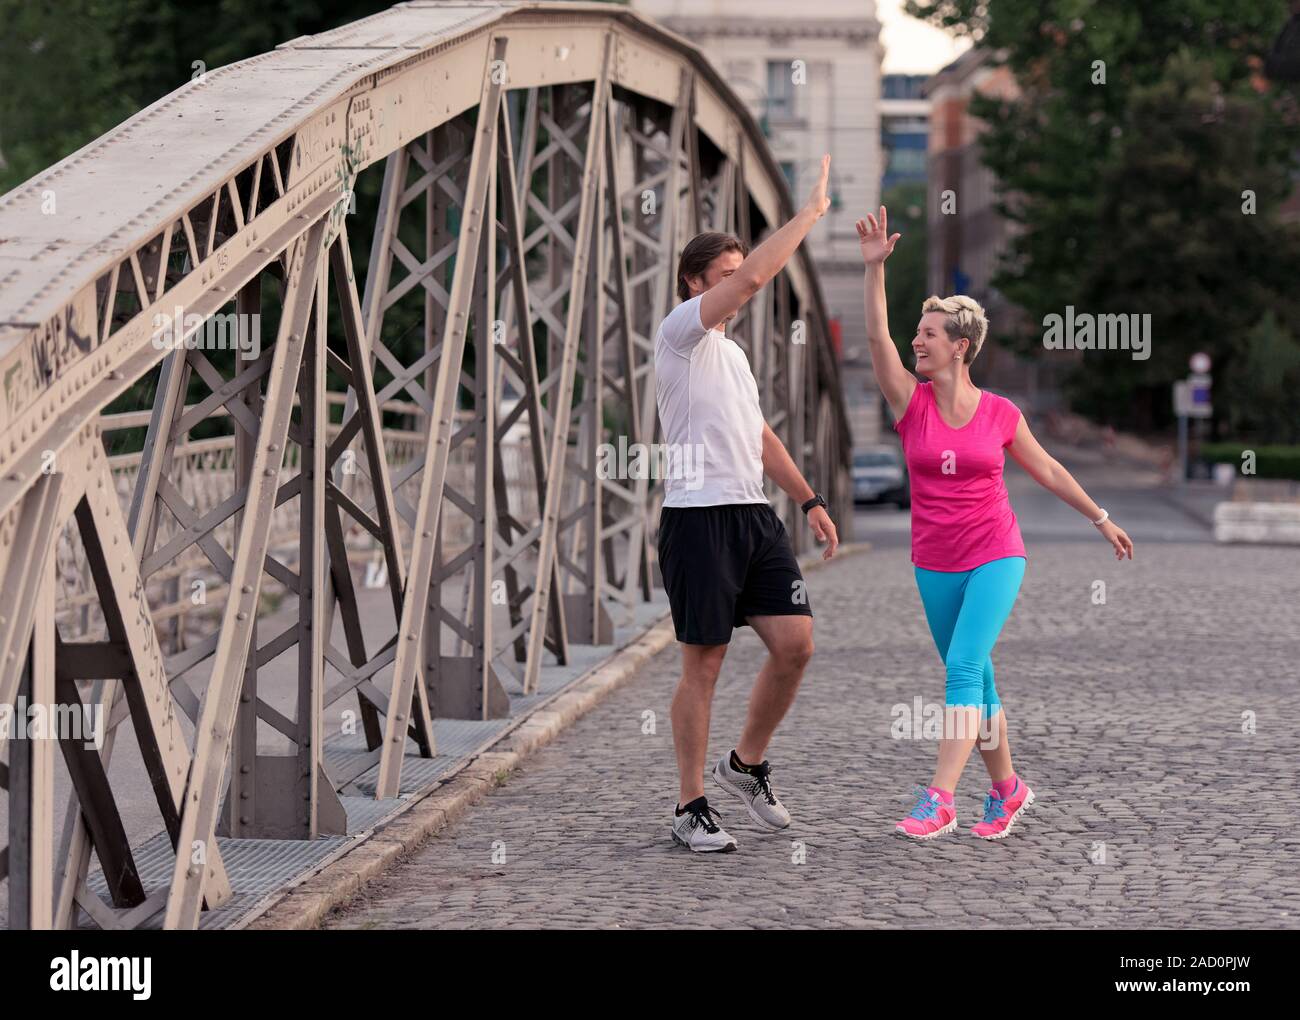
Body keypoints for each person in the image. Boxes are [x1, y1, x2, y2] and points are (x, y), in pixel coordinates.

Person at [855, 206, 1134, 841]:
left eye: (928, 333)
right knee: (978, 679)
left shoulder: (1001, 413)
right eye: (917, 332)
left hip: (995, 552)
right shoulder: (910, 403)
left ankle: (940, 797)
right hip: (934, 561)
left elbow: (1050, 471)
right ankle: (1008, 789)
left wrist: (1101, 517)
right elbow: (876, 342)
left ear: (960, 347)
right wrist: (874, 272)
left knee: (961, 666)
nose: (916, 341)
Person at [657, 156, 840, 853]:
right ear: (694, 283)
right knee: (703, 664)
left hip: (752, 516)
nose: (740, 285)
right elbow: (758, 276)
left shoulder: (730, 358)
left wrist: (809, 498)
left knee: (796, 645)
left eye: (739, 271)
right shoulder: (681, 334)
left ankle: (745, 763)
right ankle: (689, 803)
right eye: (724, 276)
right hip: (697, 519)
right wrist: (809, 214)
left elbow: (759, 434)